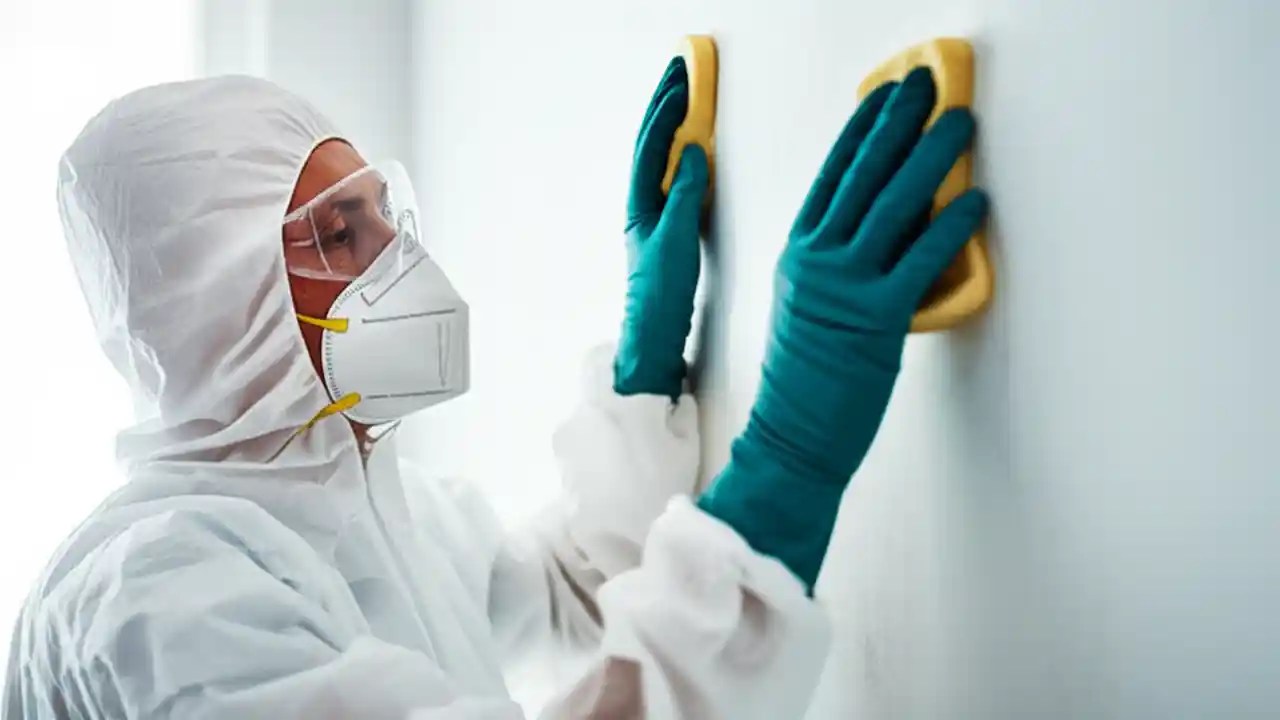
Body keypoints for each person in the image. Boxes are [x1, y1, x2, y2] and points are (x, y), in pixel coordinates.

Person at [3, 53, 986, 719]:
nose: (403, 259)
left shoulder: (375, 510)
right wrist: (785, 468)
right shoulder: (162, 598)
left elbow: (574, 602)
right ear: (219, 301)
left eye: (386, 212)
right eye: (341, 232)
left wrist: (643, 375)